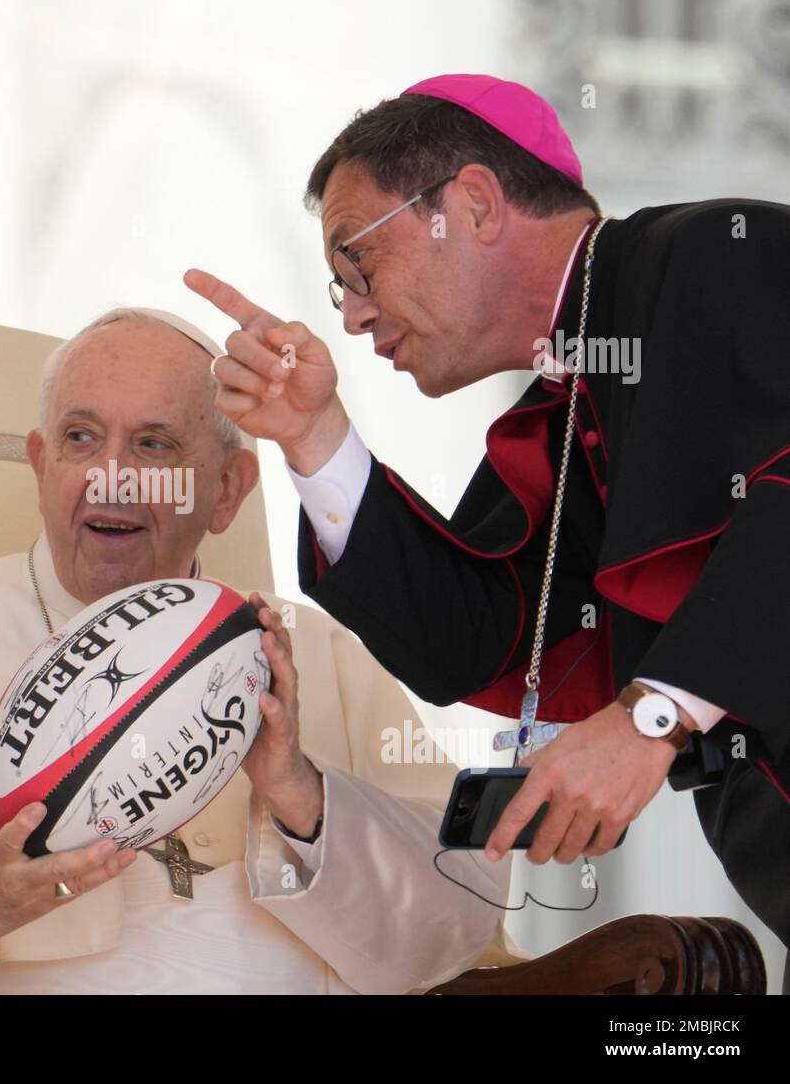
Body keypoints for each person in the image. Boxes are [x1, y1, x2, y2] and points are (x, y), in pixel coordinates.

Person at [185, 73, 790, 989]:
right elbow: (472, 635)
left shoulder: (714, 257)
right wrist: (314, 436)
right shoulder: (573, 390)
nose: (352, 315)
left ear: (471, 203)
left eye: (360, 266)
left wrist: (652, 716)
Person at [0, 305, 515, 994]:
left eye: (156, 445)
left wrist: (302, 797)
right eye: (80, 438)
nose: (111, 479)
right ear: (40, 463)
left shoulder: (317, 654)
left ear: (228, 490)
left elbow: (462, 920)